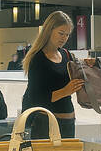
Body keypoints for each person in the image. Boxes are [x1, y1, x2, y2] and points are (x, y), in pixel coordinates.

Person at [20, 11, 82, 140]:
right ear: (49, 30)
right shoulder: (37, 59)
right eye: (61, 33)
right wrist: (65, 91)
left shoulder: (66, 55)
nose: (64, 38)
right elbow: (37, 98)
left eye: (67, 35)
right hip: (45, 123)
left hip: (68, 122)